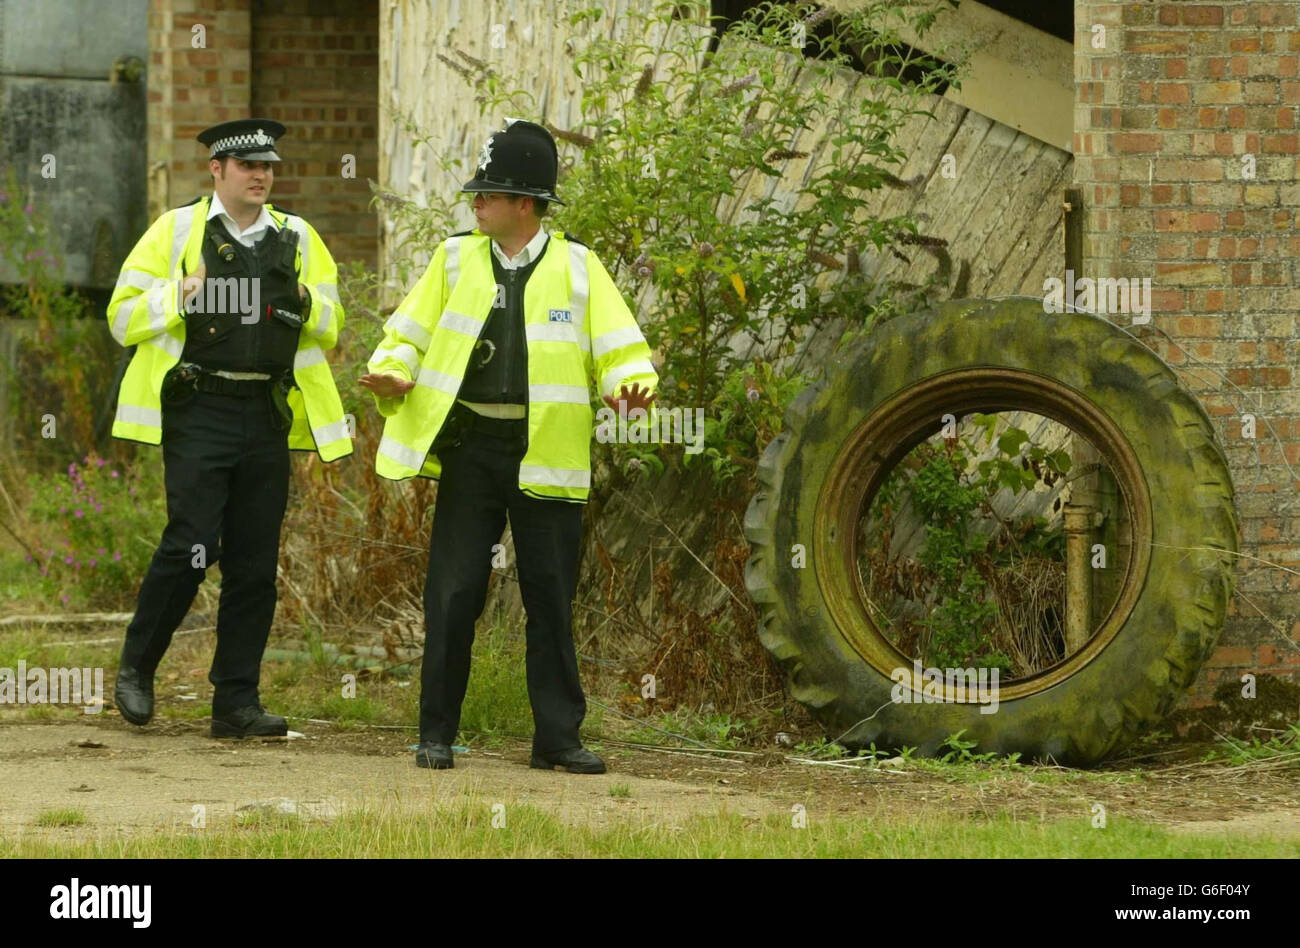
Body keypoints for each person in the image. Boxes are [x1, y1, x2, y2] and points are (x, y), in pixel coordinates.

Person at [359, 118, 658, 772]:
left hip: (547, 450)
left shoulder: (581, 268)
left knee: (550, 598)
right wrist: (391, 368)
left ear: (525, 203)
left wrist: (630, 386)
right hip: (473, 450)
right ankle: (435, 733)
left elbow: (621, 346)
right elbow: (406, 330)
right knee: (454, 591)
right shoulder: (454, 259)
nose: (476, 204)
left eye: (488, 194)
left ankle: (557, 738)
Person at [107, 118, 352, 739]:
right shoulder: (176, 230)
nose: (262, 175)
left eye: (268, 166)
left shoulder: (297, 236)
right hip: (199, 408)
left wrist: (306, 299)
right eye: (248, 166)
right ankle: (137, 665)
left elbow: (331, 320)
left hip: (265, 413)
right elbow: (120, 317)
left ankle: (235, 704)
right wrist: (177, 295)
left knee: (254, 562)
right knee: (192, 542)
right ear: (216, 170)